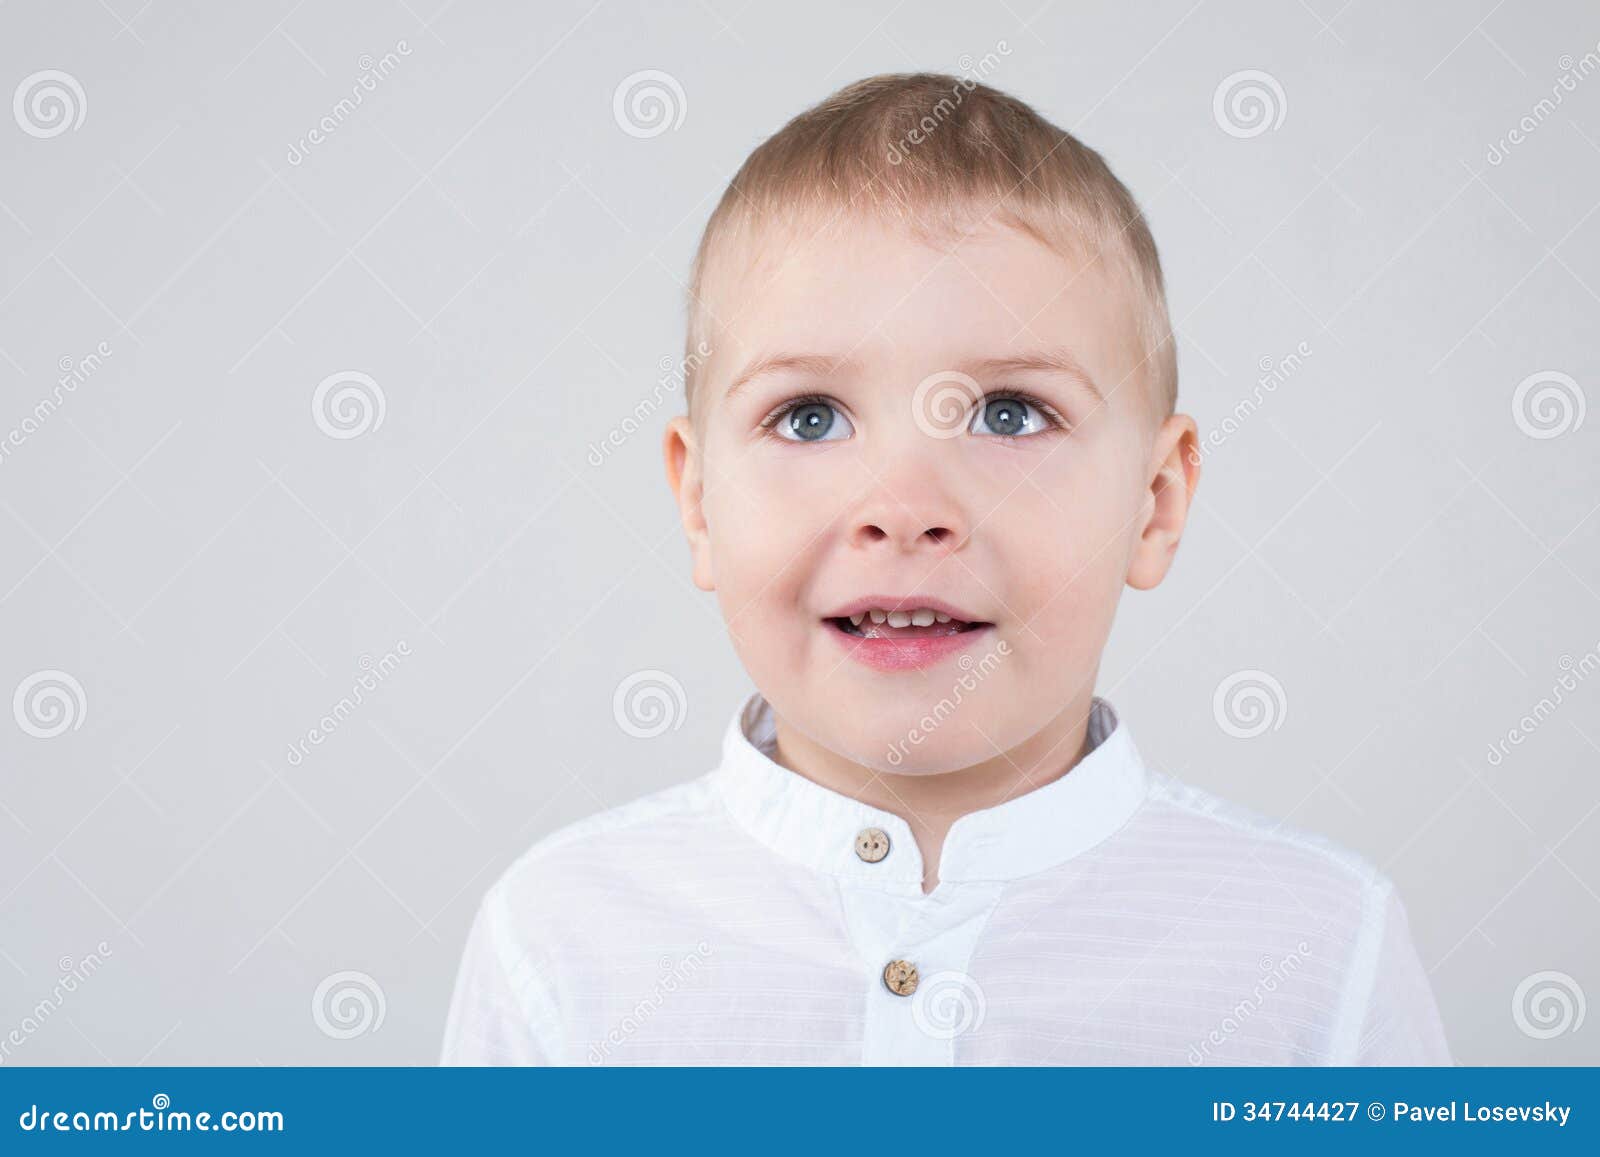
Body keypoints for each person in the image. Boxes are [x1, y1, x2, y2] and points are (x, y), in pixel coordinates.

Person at [440, 72, 1451, 1065]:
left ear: (1155, 500)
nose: (904, 509)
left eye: (1008, 412)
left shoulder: (1320, 948)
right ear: (699, 500)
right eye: (809, 417)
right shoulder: (559, 940)